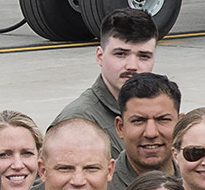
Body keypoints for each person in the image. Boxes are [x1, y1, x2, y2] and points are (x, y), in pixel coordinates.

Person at [57, 9, 160, 142]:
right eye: (121, 54)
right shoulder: (78, 122)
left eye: (144, 56)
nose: (132, 66)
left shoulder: (159, 110)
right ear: (100, 57)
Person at [114, 73, 183, 190]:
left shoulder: (201, 183)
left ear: (180, 124)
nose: (151, 133)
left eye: (163, 119)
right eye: (138, 121)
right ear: (120, 127)